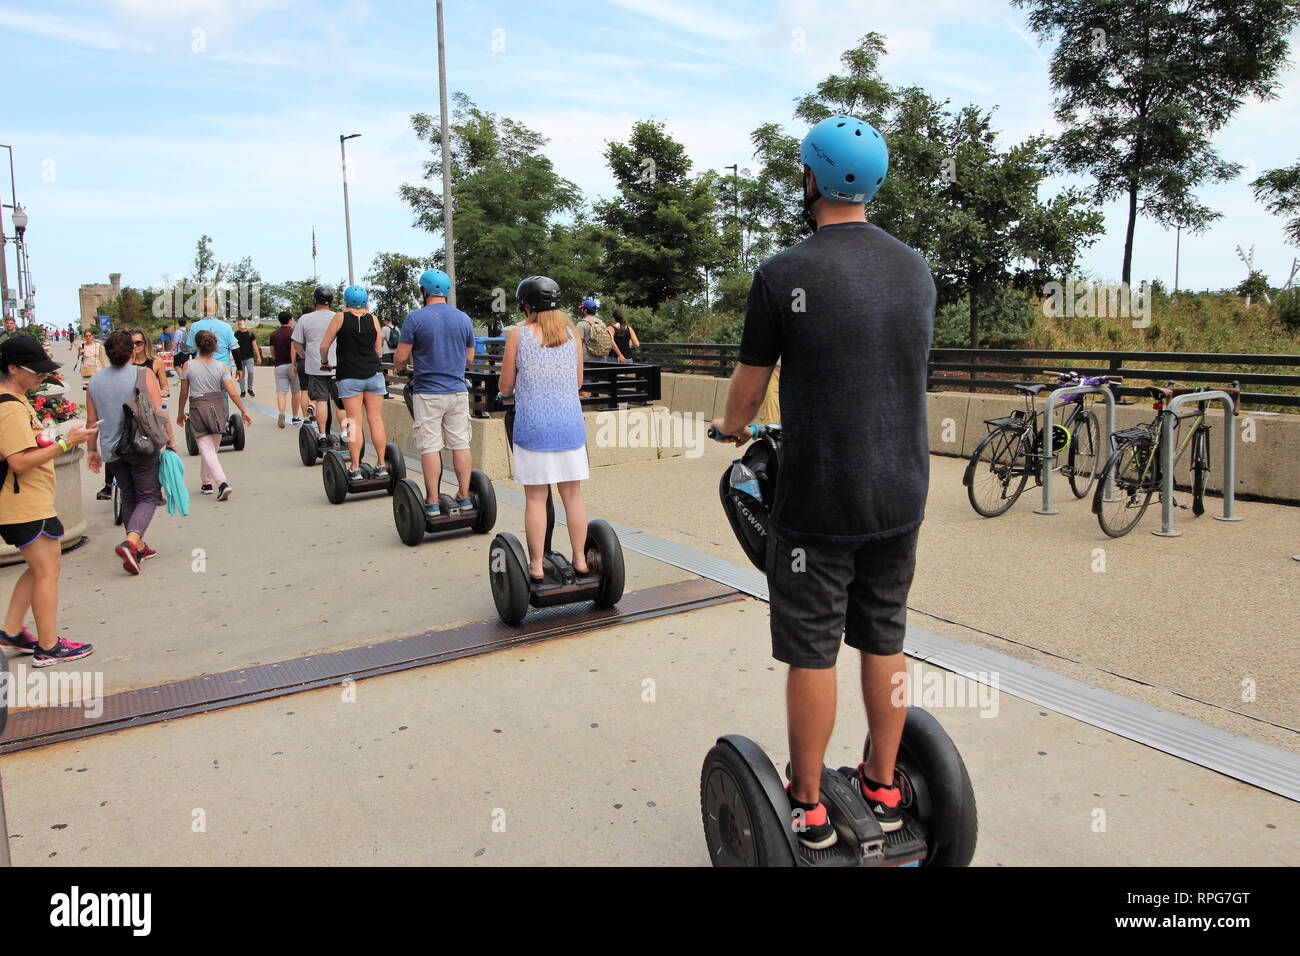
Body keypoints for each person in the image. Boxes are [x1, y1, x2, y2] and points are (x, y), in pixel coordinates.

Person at [709, 115, 934, 850]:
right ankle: (882, 783)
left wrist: (731, 428)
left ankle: (806, 806)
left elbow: (749, 386)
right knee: (885, 634)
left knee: (812, 646)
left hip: (821, 498)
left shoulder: (783, 274)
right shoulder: (916, 268)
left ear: (810, 179)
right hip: (901, 489)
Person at [0, 336, 98, 665]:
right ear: (12, 369)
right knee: (46, 571)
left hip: (27, 501)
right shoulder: (10, 408)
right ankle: (48, 645)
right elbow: (19, 461)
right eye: (36, 372)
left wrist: (57, 441)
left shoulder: (16, 400)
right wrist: (66, 444)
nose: (42, 377)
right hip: (24, 503)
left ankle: (13, 631)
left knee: (40, 567)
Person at [497, 276, 589, 580]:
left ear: (527, 306)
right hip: (570, 427)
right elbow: (577, 383)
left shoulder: (518, 336)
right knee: (573, 497)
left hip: (533, 428)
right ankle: (580, 559)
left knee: (536, 499)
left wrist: (508, 390)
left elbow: (506, 387)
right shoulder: (572, 333)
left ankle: (536, 565)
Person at [86, 330, 176, 574]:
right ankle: (131, 541)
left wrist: (92, 450)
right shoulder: (143, 373)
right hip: (141, 445)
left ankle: (138, 547)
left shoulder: (94, 381)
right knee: (148, 496)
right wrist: (171, 441)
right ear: (133, 350)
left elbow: (91, 421)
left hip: (111, 449)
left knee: (128, 495)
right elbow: (159, 412)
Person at [392, 269, 476, 516]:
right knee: (461, 443)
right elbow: (469, 357)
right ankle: (464, 496)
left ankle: (432, 501)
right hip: (457, 391)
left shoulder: (415, 318)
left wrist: (402, 367)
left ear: (424, 291)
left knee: (430, 446)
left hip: (427, 392)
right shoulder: (463, 319)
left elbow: (399, 359)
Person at [319, 285, 389, 481]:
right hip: (374, 375)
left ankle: (355, 467)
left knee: (354, 422)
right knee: (375, 419)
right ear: (365, 302)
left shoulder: (340, 317)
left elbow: (324, 345)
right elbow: (378, 347)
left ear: (346, 302)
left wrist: (325, 363)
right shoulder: (373, 319)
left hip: (350, 377)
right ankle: (382, 464)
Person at [177, 330, 253, 500]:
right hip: (218, 407)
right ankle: (206, 482)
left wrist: (180, 413)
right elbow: (233, 393)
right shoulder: (222, 366)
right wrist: (244, 411)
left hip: (198, 406)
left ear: (196, 346)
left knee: (206, 448)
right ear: (215, 347)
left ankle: (222, 483)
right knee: (212, 448)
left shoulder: (187, 366)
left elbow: (183, 393)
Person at [292, 286, 339, 439]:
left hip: (316, 367)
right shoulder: (338, 317)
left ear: (315, 300)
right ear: (331, 301)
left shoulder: (305, 319)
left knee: (321, 401)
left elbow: (296, 344)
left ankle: (323, 435)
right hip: (338, 367)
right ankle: (345, 434)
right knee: (341, 402)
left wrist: (304, 355)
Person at [269, 310, 300, 427]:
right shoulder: (294, 332)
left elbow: (272, 353)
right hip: (293, 365)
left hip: (279, 365)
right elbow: (295, 349)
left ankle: (282, 412)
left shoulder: (274, 334)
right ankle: (295, 416)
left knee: (281, 392)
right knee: (295, 392)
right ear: (290, 320)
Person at [574, 299, 625, 365]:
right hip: (601, 361)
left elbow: (578, 345)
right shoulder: (601, 323)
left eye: (582, 308)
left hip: (587, 362)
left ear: (585, 310)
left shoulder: (581, 324)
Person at [130, 328, 170, 401]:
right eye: (131, 343)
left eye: (138, 343)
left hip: (149, 406)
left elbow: (165, 389)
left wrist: (154, 393)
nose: (134, 346)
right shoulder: (126, 363)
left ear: (146, 343)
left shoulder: (157, 362)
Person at [234, 317, 259, 398]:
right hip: (240, 358)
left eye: (241, 324)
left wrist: (258, 356)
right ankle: (242, 390)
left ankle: (250, 389)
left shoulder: (250, 334)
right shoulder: (236, 334)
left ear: (245, 324)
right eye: (238, 324)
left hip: (249, 357)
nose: (239, 326)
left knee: (251, 372)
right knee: (242, 374)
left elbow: (254, 345)